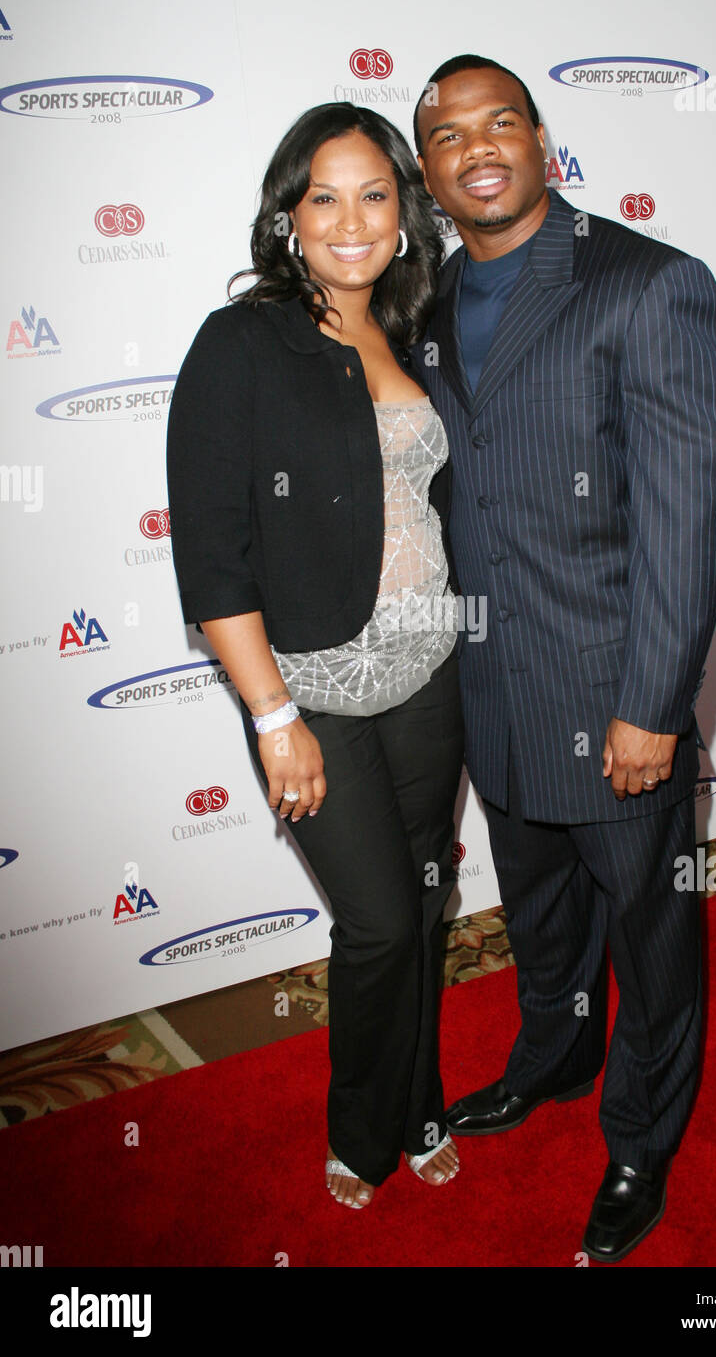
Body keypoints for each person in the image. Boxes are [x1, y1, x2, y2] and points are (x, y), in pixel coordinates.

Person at [412, 56, 716, 1262]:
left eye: (499, 119)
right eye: (446, 133)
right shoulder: (429, 303)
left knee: (649, 934)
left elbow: (688, 515)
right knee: (543, 919)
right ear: (430, 168)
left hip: (615, 700)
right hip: (495, 691)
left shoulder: (648, 284)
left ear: (539, 137)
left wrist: (652, 704)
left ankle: (643, 1137)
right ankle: (550, 1059)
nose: (476, 145)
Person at [166, 102, 465, 1210]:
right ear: (287, 215)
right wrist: (271, 716)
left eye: (375, 195)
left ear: (403, 212)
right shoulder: (242, 342)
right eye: (323, 197)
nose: (350, 221)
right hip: (317, 691)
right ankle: (362, 1129)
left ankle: (422, 1098)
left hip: (431, 674)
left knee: (425, 905)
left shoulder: (414, 325)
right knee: (378, 923)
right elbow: (212, 554)